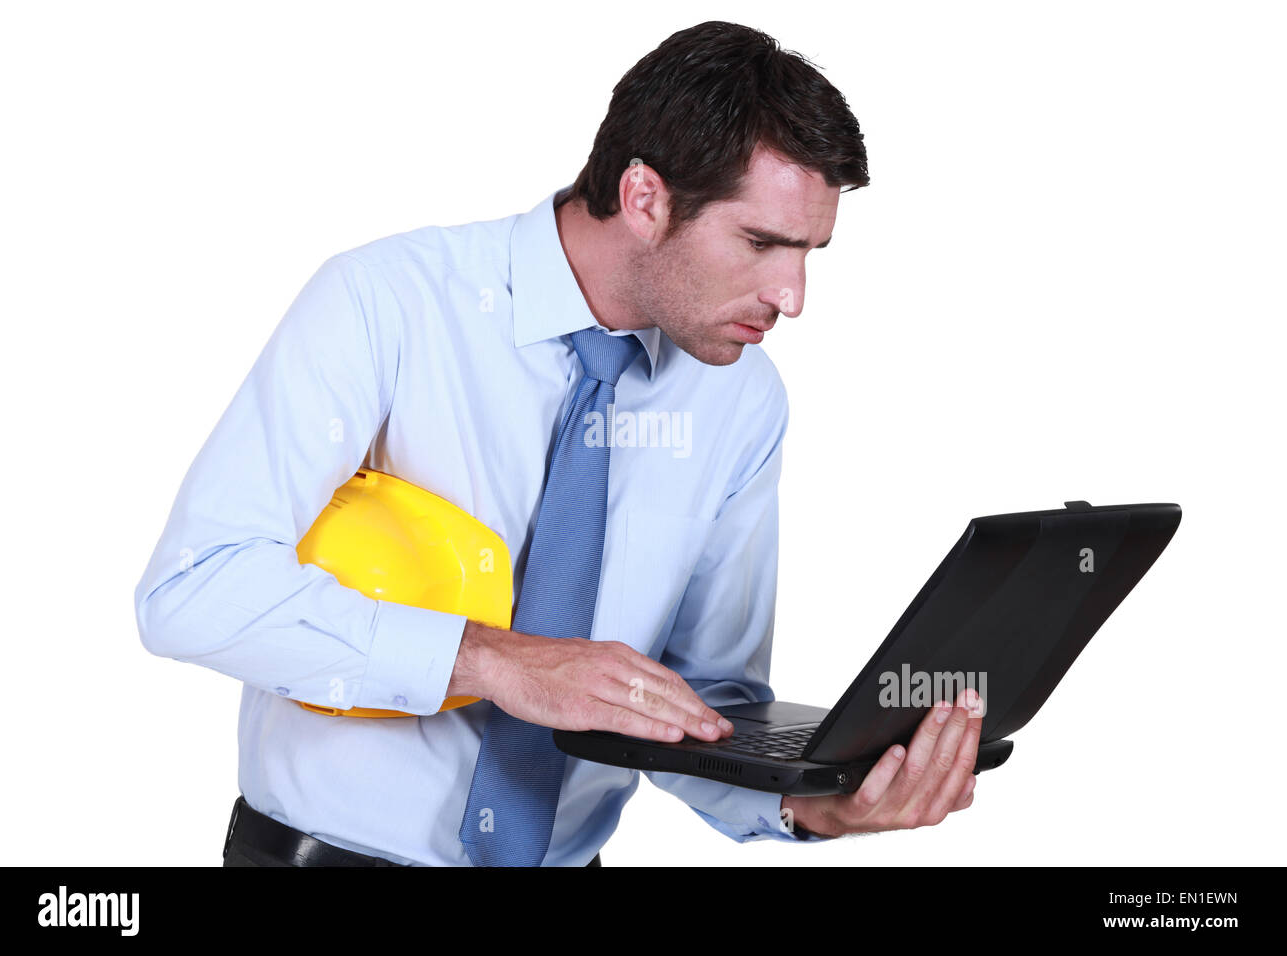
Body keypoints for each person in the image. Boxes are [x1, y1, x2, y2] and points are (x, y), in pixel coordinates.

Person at [134, 19, 982, 867]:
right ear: (645, 197)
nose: (791, 295)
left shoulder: (743, 399)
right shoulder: (386, 305)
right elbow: (195, 588)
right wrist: (494, 661)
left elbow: (704, 703)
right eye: (761, 243)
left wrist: (809, 803)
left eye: (809, 253)